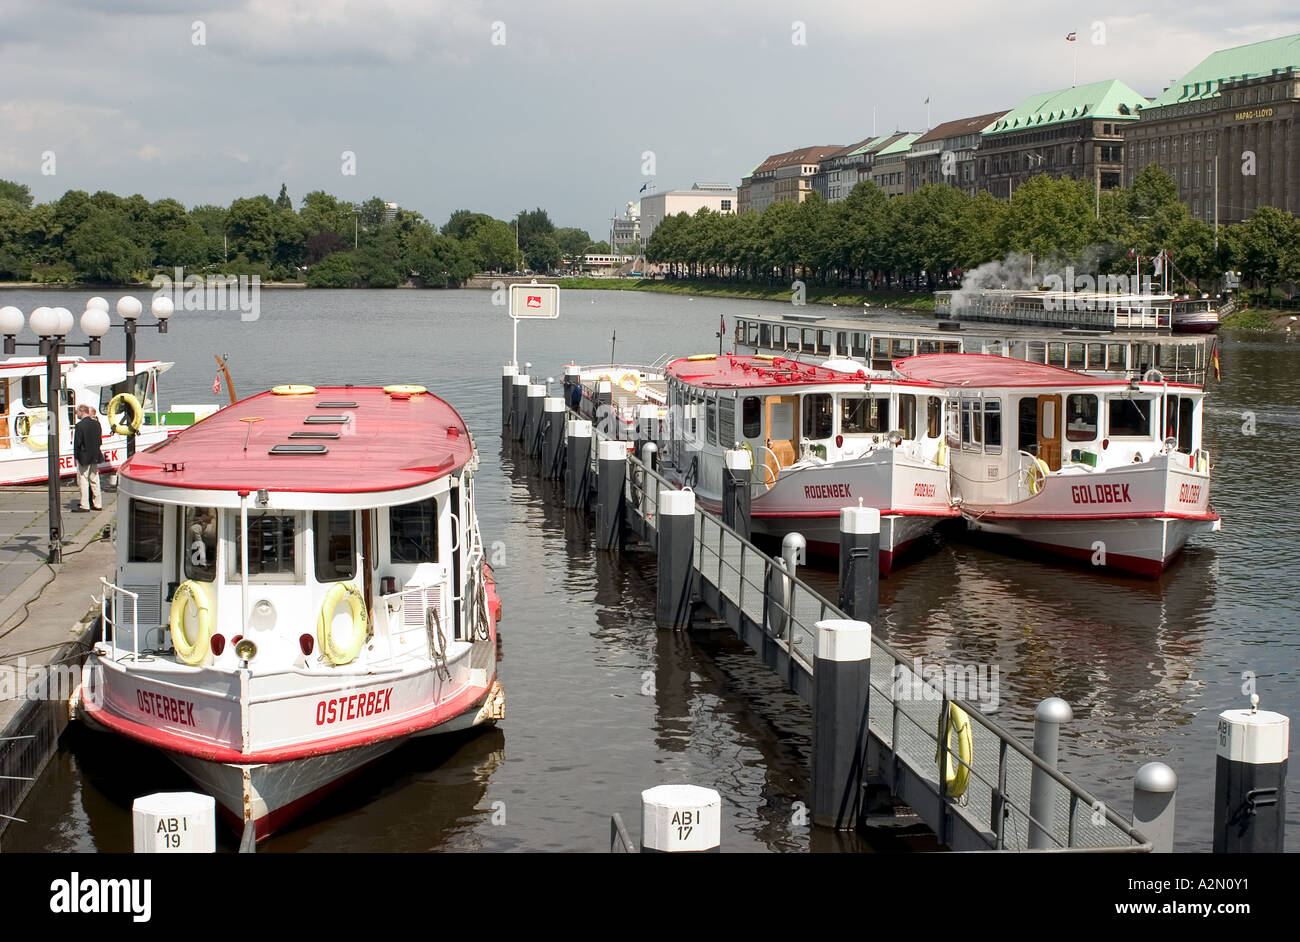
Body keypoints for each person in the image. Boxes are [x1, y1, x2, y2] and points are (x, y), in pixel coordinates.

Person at [72, 404, 104, 512]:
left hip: (84, 456)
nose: (77, 414)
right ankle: (97, 503)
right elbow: (100, 441)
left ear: (82, 411)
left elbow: (77, 443)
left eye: (77, 412)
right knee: (95, 479)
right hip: (95, 454)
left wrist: (76, 456)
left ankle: (84, 505)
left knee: (83, 480)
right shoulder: (96, 424)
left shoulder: (80, 426)